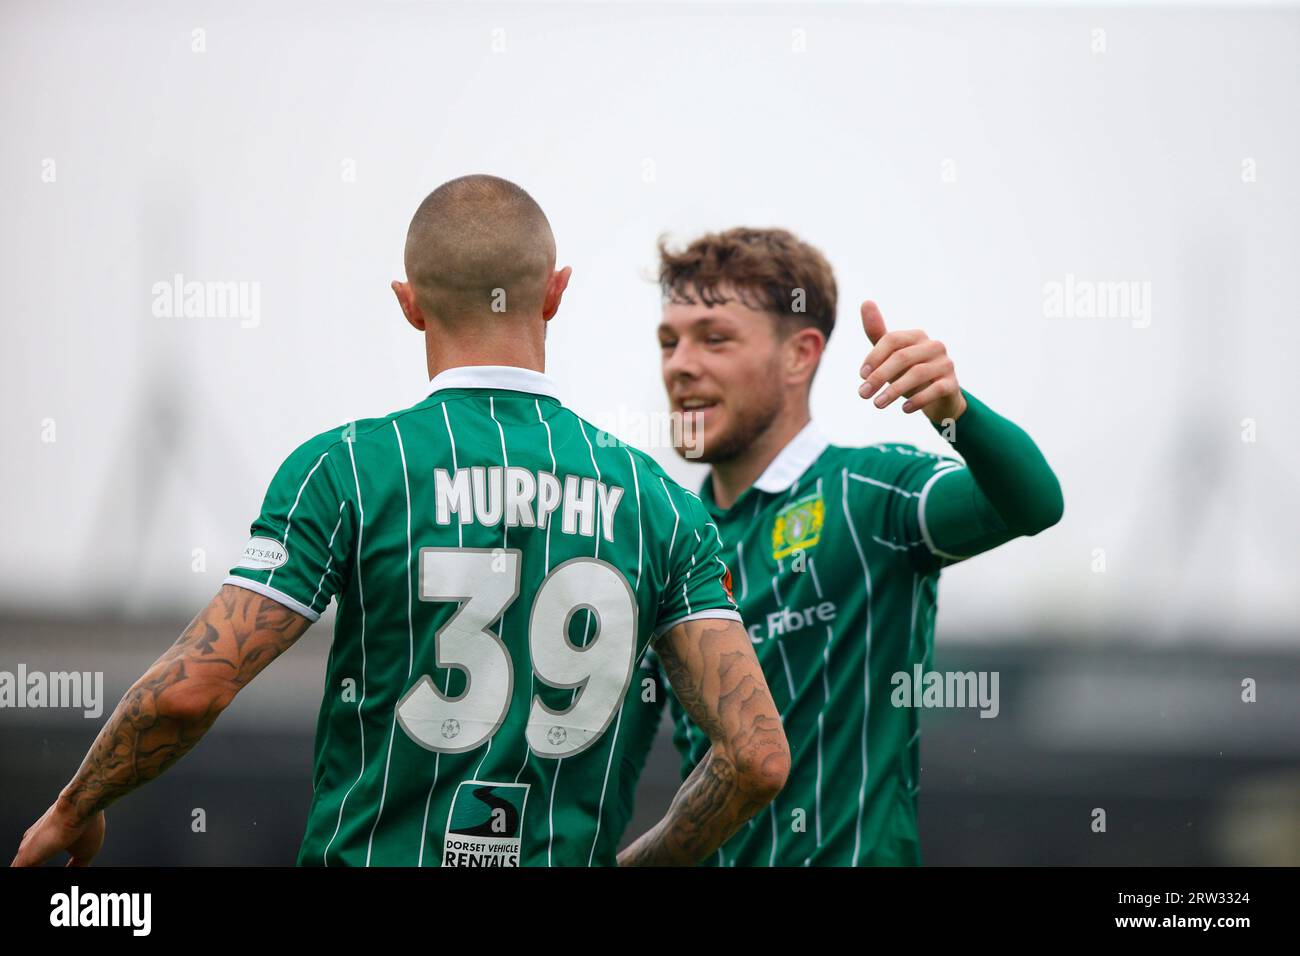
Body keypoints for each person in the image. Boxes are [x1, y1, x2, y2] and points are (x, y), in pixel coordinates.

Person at [11, 177, 789, 868]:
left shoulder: (347, 469)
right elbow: (756, 758)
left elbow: (190, 693)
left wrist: (77, 804)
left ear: (408, 300)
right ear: (555, 291)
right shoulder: (661, 501)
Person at [617, 227, 1063, 866]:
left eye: (714, 338)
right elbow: (618, 764)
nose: (680, 363)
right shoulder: (665, 535)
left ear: (800, 355)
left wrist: (955, 412)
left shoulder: (870, 494)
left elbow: (1034, 503)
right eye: (669, 341)